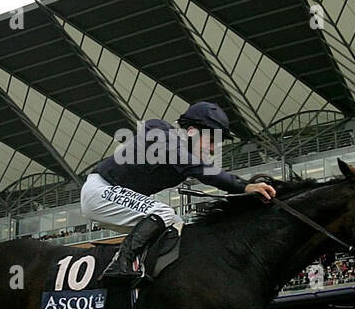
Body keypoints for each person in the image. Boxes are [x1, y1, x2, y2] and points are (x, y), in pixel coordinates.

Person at [81, 102, 276, 282]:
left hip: (111, 194)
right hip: (100, 190)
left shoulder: (181, 151)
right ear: (191, 131)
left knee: (177, 226)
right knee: (164, 213)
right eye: (210, 141)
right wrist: (244, 186)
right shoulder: (159, 132)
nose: (212, 148)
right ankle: (118, 266)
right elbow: (202, 170)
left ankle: (149, 272)